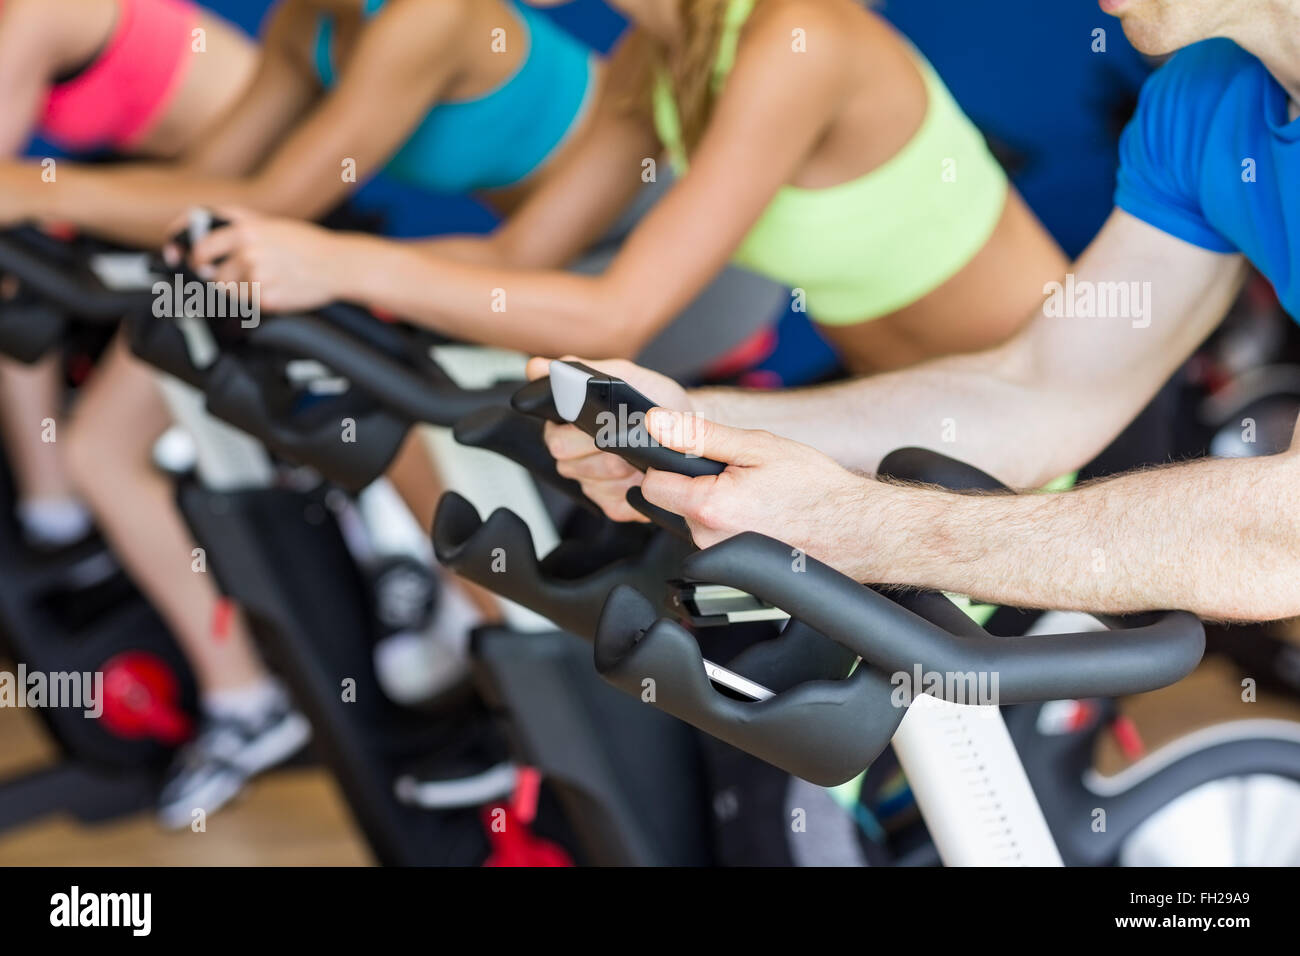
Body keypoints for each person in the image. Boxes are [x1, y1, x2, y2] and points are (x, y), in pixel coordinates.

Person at [0, 0, 606, 827]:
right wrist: (50, 194)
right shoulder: (304, 20)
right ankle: (502, 695)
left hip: (612, 262)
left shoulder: (426, 19)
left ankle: (548, 719)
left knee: (411, 415)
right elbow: (216, 181)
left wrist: (42, 189)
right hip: (524, 250)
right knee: (118, 442)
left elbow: (278, 197)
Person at [538, 0, 1300, 625]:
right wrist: (695, 428)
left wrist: (860, 528)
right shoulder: (1202, 101)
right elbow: (1040, 390)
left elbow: (1286, 534)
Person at [177, 0, 1066, 375]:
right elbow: (514, 254)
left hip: (1057, 411)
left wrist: (339, 263)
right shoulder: (654, 57)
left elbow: (615, 317)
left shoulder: (798, 40)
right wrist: (295, 266)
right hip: (920, 430)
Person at [0, 0, 255, 550]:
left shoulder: (35, 15)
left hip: (254, 221)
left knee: (100, 450)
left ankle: (239, 637)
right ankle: (53, 512)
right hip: (168, 195)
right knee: (17, 271)